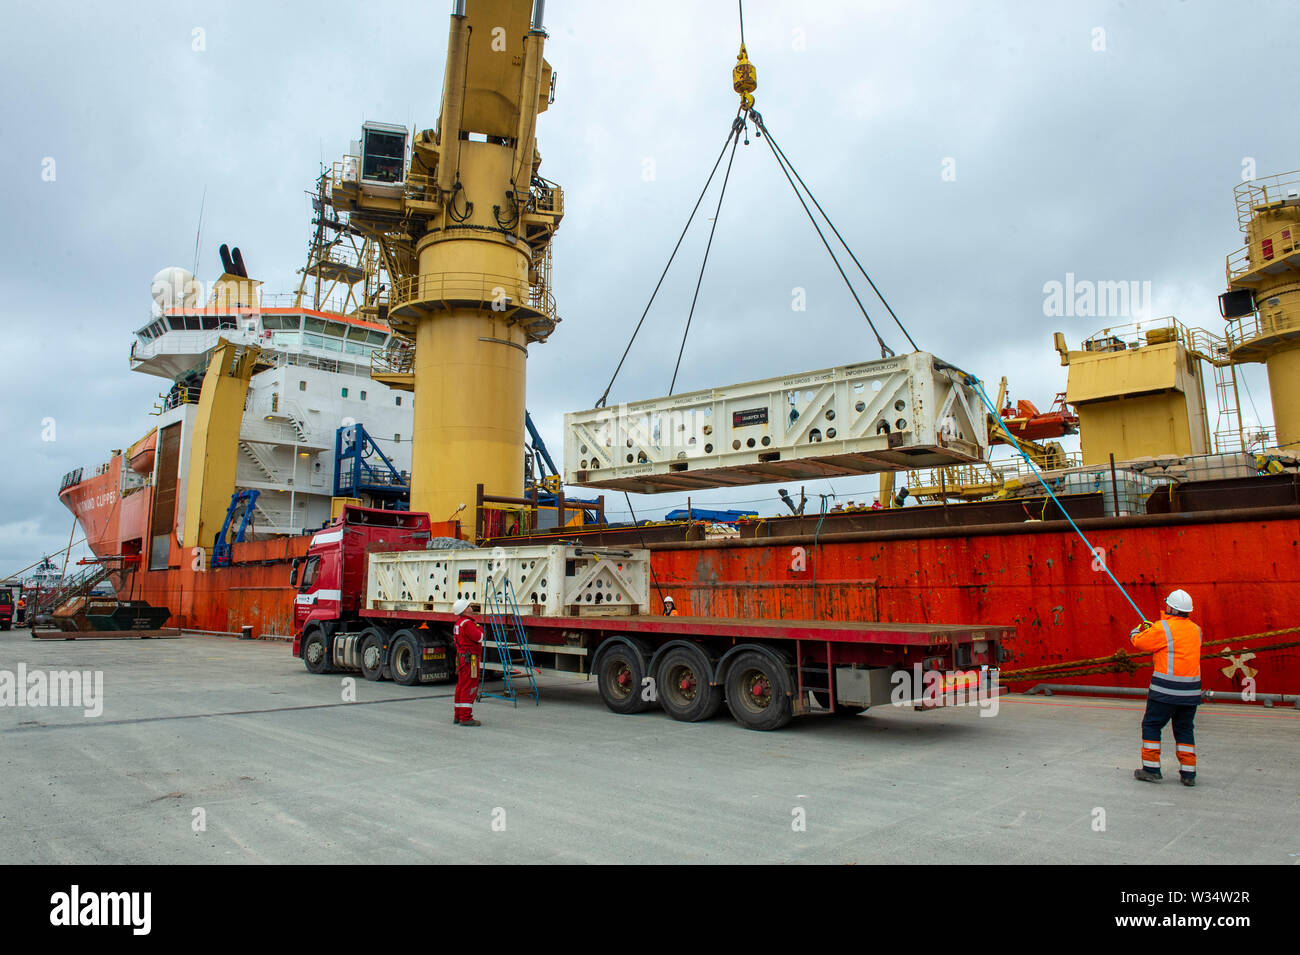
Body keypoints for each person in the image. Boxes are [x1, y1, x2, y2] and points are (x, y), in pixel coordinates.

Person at [1129, 589, 1201, 786]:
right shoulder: (1196, 630)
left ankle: (1151, 769)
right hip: (1191, 694)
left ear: (1171, 607)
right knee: (1185, 729)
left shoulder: (1162, 628)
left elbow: (1140, 642)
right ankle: (1188, 774)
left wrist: (1138, 630)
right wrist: (1156, 630)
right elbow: (1176, 644)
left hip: (1165, 692)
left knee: (1151, 725)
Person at [451, 598, 484, 727]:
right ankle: (466, 717)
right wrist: (480, 628)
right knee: (470, 686)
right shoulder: (468, 624)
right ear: (465, 609)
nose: (471, 608)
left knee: (461, 685)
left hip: (462, 658)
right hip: (471, 659)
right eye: (469, 606)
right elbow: (480, 637)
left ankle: (458, 715)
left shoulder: (459, 623)